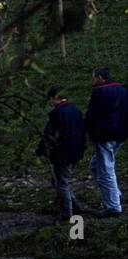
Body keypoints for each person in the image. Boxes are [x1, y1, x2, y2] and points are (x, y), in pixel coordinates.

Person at [37, 86, 86, 223]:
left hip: (63, 150)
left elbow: (49, 134)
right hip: (76, 149)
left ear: (55, 97)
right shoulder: (75, 109)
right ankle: (75, 206)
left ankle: (67, 214)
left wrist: (41, 150)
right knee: (62, 179)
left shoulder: (57, 113)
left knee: (61, 182)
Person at [85, 67, 126, 217]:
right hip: (120, 134)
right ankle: (115, 194)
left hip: (105, 135)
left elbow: (93, 115)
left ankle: (113, 207)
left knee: (105, 171)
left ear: (100, 78)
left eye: (94, 77)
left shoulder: (99, 92)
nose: (93, 80)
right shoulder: (122, 90)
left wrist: (89, 131)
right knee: (95, 165)